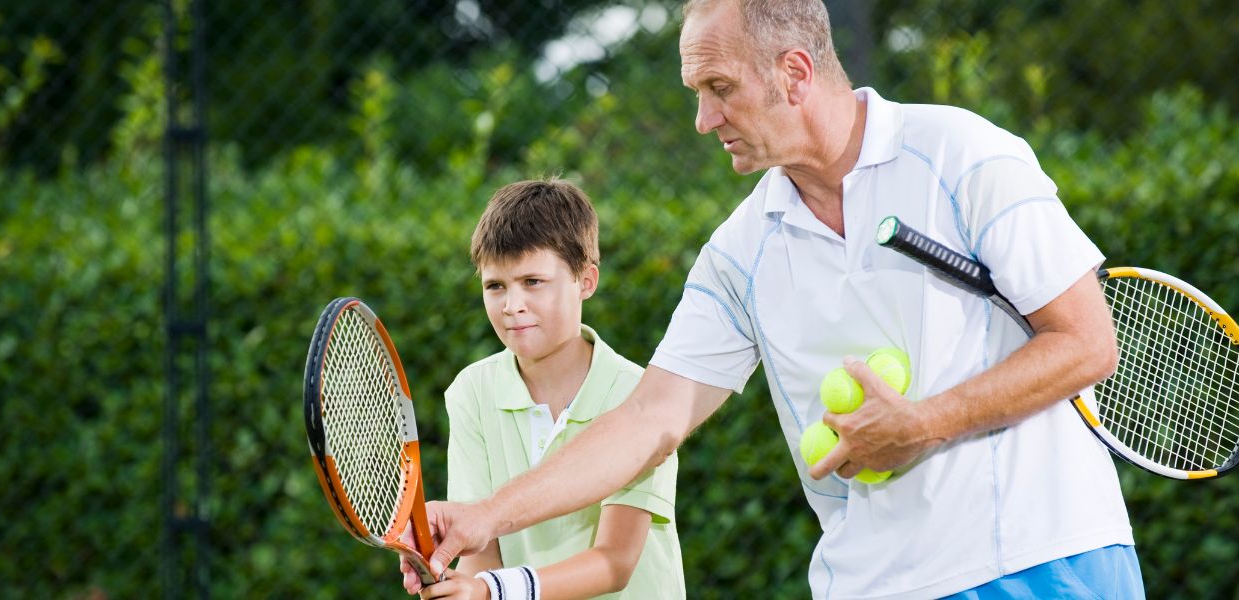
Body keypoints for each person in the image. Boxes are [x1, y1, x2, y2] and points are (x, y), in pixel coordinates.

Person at [411, 1, 1143, 597]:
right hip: (873, 586)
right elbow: (650, 418)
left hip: (1050, 560)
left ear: (795, 73)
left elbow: (1086, 341)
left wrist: (923, 424)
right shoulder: (740, 251)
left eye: (718, 89)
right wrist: (484, 517)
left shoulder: (965, 156)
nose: (703, 120)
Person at [404, 179, 686, 600]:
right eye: (495, 285)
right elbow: (481, 557)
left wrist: (493, 591)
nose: (511, 305)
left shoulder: (640, 395)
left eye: (532, 281)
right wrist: (468, 587)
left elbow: (614, 563)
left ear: (585, 281)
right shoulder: (472, 392)